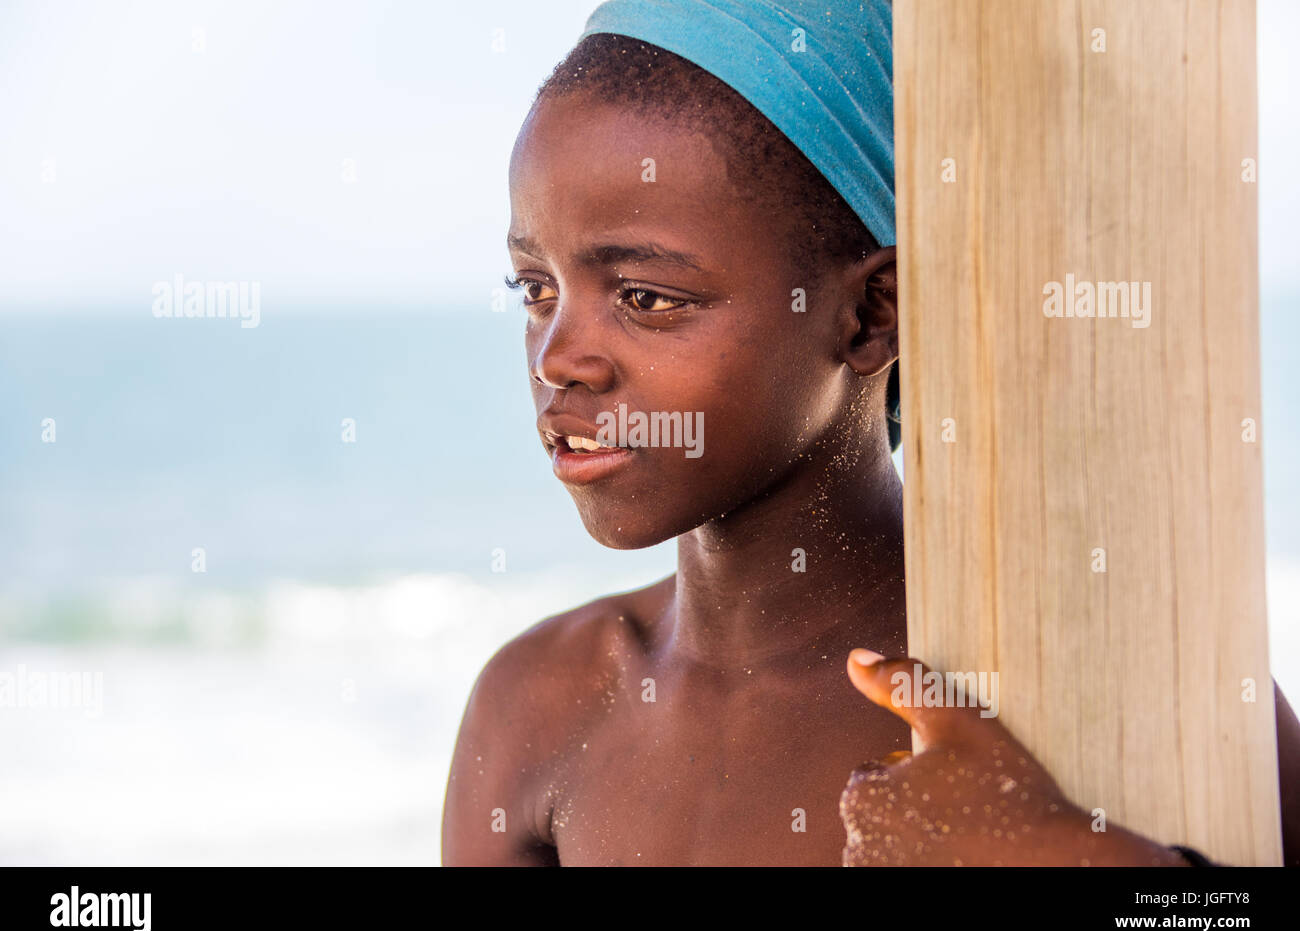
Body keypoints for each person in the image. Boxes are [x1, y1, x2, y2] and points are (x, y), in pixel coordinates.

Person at [442, 0, 1300, 865]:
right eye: (535, 288)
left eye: (647, 298)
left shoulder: (1105, 680)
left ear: (868, 315)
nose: (558, 359)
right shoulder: (533, 710)